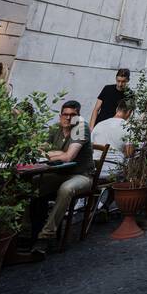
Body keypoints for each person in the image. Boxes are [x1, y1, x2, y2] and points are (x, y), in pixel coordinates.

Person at [28, 101, 96, 256]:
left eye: (72, 115)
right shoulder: (55, 128)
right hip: (58, 173)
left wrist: (53, 154)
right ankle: (26, 232)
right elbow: (37, 150)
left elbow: (68, 156)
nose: (68, 118)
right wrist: (54, 154)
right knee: (31, 183)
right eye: (65, 115)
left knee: (66, 189)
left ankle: (46, 236)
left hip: (81, 175)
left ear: (78, 116)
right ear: (60, 116)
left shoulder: (81, 128)